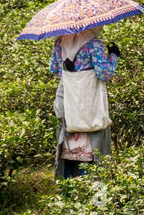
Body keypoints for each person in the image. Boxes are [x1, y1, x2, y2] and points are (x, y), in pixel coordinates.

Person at [50, 29, 119, 181]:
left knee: (66, 146)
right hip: (88, 100)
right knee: (93, 145)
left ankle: (67, 192)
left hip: (67, 100)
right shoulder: (94, 44)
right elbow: (105, 73)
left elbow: (54, 69)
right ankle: (93, 194)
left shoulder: (60, 42)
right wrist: (114, 56)